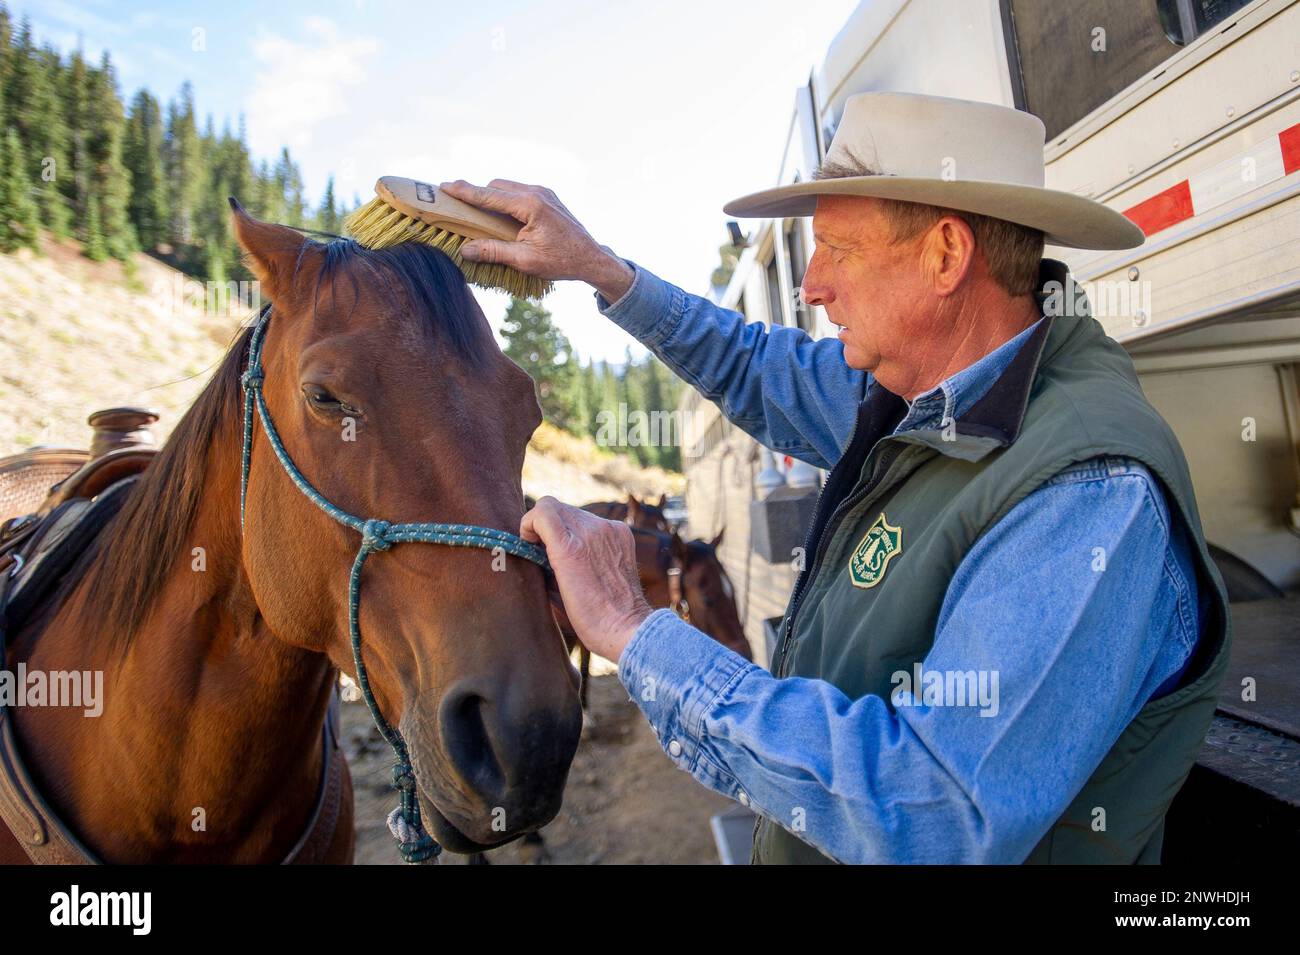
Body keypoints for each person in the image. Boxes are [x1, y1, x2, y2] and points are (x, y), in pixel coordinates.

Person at [439, 91, 1231, 864]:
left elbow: (936, 814)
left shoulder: (1086, 492)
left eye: (839, 251)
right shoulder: (912, 395)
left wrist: (630, 626)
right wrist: (600, 269)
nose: (811, 284)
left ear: (946, 255)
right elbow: (750, 365)